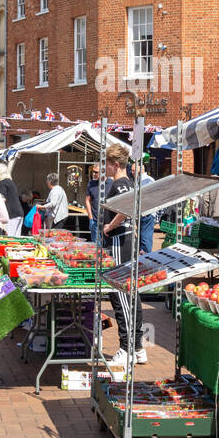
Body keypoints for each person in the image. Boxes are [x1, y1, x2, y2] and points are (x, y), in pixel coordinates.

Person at [101, 144, 145, 366]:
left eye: (107, 164)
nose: (105, 168)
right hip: (127, 240)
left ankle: (126, 347)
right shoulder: (128, 183)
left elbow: (127, 207)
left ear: (115, 165)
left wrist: (110, 225)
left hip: (119, 240)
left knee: (120, 294)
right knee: (131, 293)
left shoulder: (119, 184)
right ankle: (137, 347)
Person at [0, 163, 24, 236]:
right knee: (16, 239)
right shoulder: (10, 182)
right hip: (18, 213)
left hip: (11, 214)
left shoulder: (3, 183)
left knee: (10, 238)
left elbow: (2, 199)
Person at [133, 160, 155, 257]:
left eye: (134, 171)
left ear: (141, 170)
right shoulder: (138, 180)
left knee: (145, 240)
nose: (132, 173)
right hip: (141, 213)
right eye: (132, 171)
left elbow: (151, 197)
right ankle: (143, 260)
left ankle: (146, 261)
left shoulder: (147, 180)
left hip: (147, 214)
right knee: (141, 239)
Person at [85, 171, 103, 247]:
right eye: (93, 171)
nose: (94, 174)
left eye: (96, 172)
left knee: (106, 247)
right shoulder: (91, 183)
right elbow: (87, 200)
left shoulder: (111, 183)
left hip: (107, 221)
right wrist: (90, 218)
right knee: (96, 246)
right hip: (95, 220)